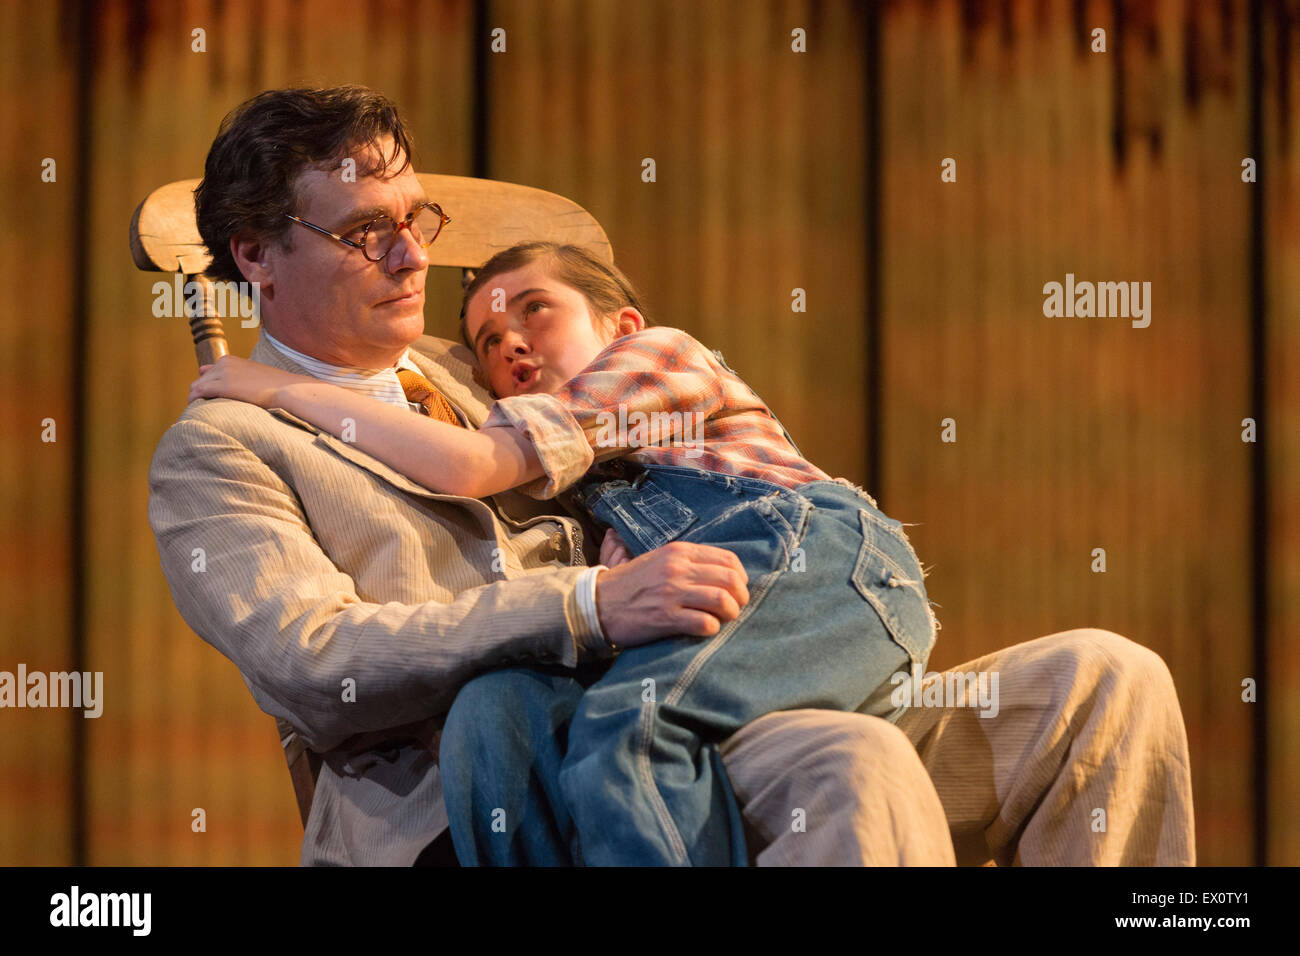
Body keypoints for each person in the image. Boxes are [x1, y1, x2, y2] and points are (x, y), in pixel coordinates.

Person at [151, 83, 1196, 868]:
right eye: (364, 234)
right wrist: (584, 601)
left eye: (415, 222)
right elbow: (313, 658)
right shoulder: (225, 447)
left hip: (700, 696)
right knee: (852, 769)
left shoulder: (484, 372)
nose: (413, 261)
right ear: (254, 255)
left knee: (1104, 682)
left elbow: (599, 359)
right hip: (502, 781)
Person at [190, 240, 944, 866]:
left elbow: (474, 464)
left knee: (631, 730)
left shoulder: (654, 359)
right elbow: (312, 654)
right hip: (686, 625)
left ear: (623, 323)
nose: (510, 340)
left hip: (804, 546)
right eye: (487, 340)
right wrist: (608, 578)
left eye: (535, 310)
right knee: (503, 712)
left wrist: (279, 389)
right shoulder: (590, 467)